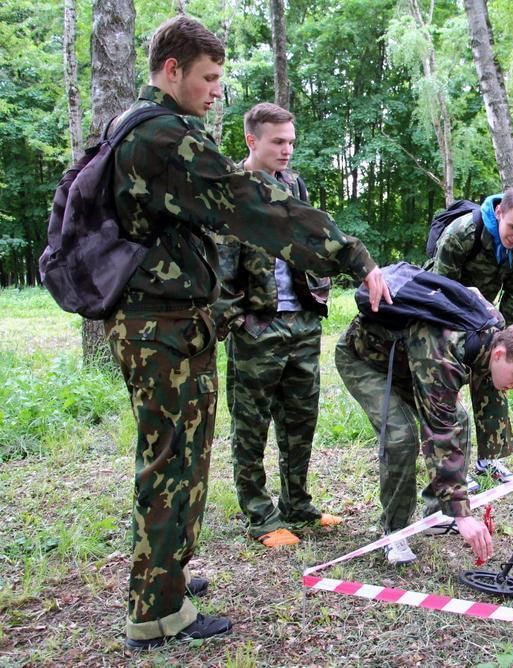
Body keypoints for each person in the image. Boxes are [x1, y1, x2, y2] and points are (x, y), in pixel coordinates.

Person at [103, 16, 389, 650]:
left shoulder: (132, 127)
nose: (214, 91)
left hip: (162, 321)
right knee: (175, 463)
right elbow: (251, 205)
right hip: (165, 327)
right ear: (171, 70)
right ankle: (156, 614)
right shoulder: (163, 135)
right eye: (207, 78)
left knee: (168, 457)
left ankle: (163, 579)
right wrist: (354, 256)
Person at [335, 308, 513, 565]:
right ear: (499, 353)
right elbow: (439, 433)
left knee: (458, 418)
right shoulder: (442, 356)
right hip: (366, 360)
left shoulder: (492, 329)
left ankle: (437, 515)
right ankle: (395, 531)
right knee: (400, 435)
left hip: (411, 362)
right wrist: (463, 515)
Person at [215, 103, 340, 549]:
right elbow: (220, 260)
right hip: (258, 324)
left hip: (302, 319)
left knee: (300, 418)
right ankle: (259, 515)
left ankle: (297, 504)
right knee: (251, 424)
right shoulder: (232, 188)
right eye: (278, 142)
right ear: (252, 140)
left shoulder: (293, 183)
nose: (287, 150)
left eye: (290, 141)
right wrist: (236, 318)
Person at [429, 186, 513, 489]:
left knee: (498, 367)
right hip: (447, 308)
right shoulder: (462, 233)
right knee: (450, 380)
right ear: (499, 212)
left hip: (488, 312)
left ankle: (490, 457)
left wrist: (504, 334)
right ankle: (455, 466)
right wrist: (453, 344)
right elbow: (439, 290)